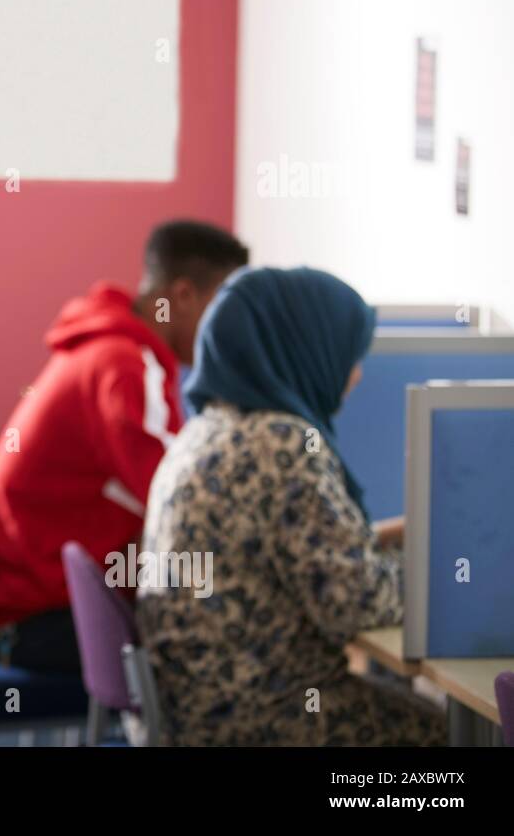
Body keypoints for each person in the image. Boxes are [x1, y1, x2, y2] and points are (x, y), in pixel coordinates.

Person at [136, 266, 447, 745]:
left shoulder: (206, 430)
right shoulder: (280, 443)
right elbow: (357, 603)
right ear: (305, 348)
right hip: (258, 718)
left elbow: (298, 552)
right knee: (448, 732)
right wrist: (453, 579)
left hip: (197, 709)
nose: (357, 374)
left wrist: (394, 538)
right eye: (348, 355)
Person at [0, 222, 249, 674]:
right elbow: (184, 499)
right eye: (225, 308)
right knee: (233, 639)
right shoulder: (125, 366)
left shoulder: (106, 350)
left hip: (15, 603)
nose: (232, 332)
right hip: (38, 620)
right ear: (183, 295)